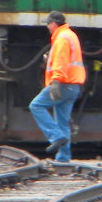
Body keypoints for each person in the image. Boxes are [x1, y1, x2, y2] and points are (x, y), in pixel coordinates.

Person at [28, 11, 86, 162]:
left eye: (48, 25)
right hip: (74, 86)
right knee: (62, 121)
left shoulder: (61, 39)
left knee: (36, 106)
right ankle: (63, 158)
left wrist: (55, 82)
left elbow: (61, 61)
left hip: (63, 84)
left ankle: (55, 136)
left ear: (53, 24)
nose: (47, 28)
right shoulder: (70, 35)